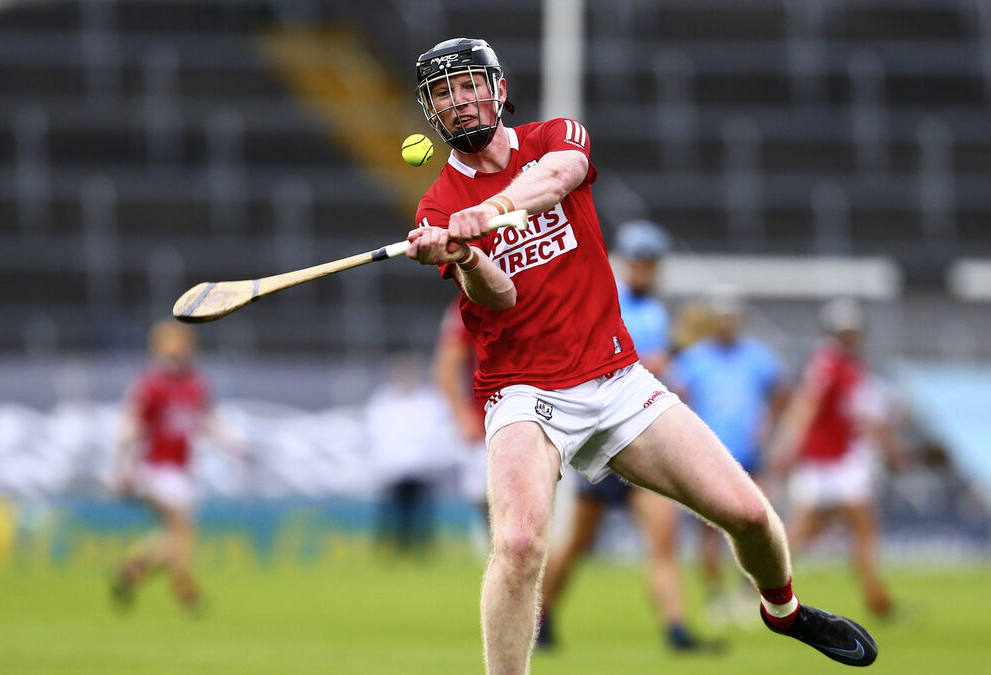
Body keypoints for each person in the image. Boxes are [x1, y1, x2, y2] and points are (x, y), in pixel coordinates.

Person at [404, 37, 877, 673]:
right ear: (431, 114)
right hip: (524, 393)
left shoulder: (553, 137)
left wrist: (490, 211)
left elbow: (558, 179)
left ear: (496, 89)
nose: (459, 103)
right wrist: (463, 254)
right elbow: (501, 294)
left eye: (468, 86)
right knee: (518, 544)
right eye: (442, 94)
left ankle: (783, 611)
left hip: (617, 380)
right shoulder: (438, 205)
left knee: (750, 516)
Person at [537, 220, 712, 652]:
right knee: (578, 543)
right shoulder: (605, 297)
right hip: (600, 443)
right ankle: (540, 618)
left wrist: (675, 367)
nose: (645, 270)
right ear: (626, 262)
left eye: (651, 263)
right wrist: (669, 354)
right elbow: (613, 366)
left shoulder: (655, 312)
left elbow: (657, 376)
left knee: (663, 542)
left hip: (642, 441)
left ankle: (677, 632)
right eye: (639, 262)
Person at [767, 297, 906, 619]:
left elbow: (860, 417)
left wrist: (890, 447)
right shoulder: (827, 363)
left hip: (842, 461)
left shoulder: (850, 367)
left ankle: (877, 599)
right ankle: (758, 590)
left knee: (862, 528)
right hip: (820, 461)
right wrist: (786, 447)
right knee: (801, 533)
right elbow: (806, 406)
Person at [670, 284, 788, 628]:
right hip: (709, 454)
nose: (727, 324)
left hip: (750, 455)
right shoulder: (695, 358)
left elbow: (779, 394)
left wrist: (767, 427)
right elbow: (677, 397)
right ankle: (716, 595)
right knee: (708, 530)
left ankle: (749, 595)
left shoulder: (757, 356)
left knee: (759, 528)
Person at [110, 320, 238, 614]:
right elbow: (131, 427)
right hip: (154, 468)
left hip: (181, 471)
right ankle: (184, 589)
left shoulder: (195, 384)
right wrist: (122, 468)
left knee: (174, 537)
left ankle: (133, 569)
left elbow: (206, 421)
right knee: (181, 527)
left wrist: (232, 445)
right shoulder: (151, 385)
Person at [366, 353, 449, 559]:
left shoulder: (429, 401)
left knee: (421, 516)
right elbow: (376, 434)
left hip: (421, 470)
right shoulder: (382, 401)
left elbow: (437, 433)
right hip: (392, 469)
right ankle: (390, 552)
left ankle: (422, 552)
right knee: (391, 516)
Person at [433, 296, 491, 550]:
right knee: (486, 496)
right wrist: (460, 413)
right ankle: (498, 550)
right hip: (486, 419)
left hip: (540, 413)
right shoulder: (465, 305)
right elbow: (447, 365)